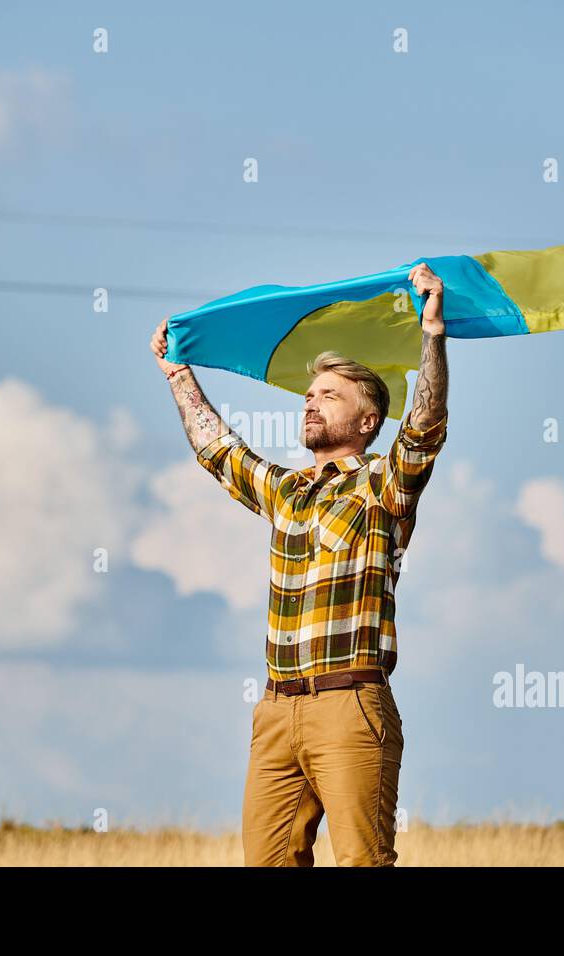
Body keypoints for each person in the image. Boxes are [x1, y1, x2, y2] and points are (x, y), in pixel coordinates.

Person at [148, 262, 450, 866]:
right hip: (276, 709)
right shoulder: (288, 490)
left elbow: (423, 429)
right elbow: (218, 451)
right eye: (310, 395)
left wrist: (432, 334)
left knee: (363, 863)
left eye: (330, 396)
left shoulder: (381, 488)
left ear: (368, 421)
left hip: (351, 704)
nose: (312, 403)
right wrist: (178, 372)